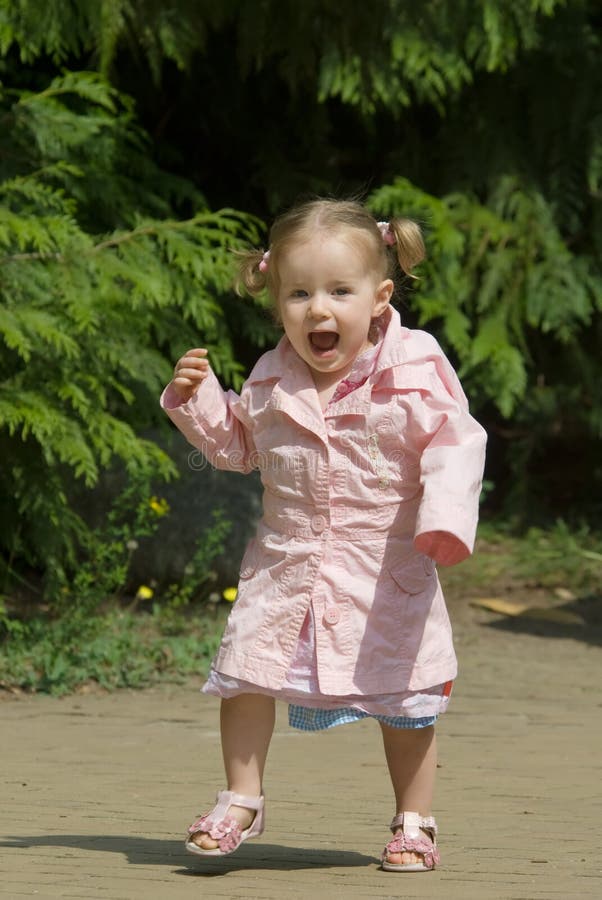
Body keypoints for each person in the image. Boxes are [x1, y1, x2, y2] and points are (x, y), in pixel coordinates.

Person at [161, 198, 487, 872]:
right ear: (276, 301)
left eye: (340, 291)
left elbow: (456, 441)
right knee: (246, 674)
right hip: (286, 565)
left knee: (407, 700)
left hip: (385, 567)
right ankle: (241, 799)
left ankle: (414, 819)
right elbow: (240, 447)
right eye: (299, 293)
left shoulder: (414, 369)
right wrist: (200, 400)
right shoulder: (270, 377)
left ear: (379, 297)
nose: (319, 310)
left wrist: (446, 518)